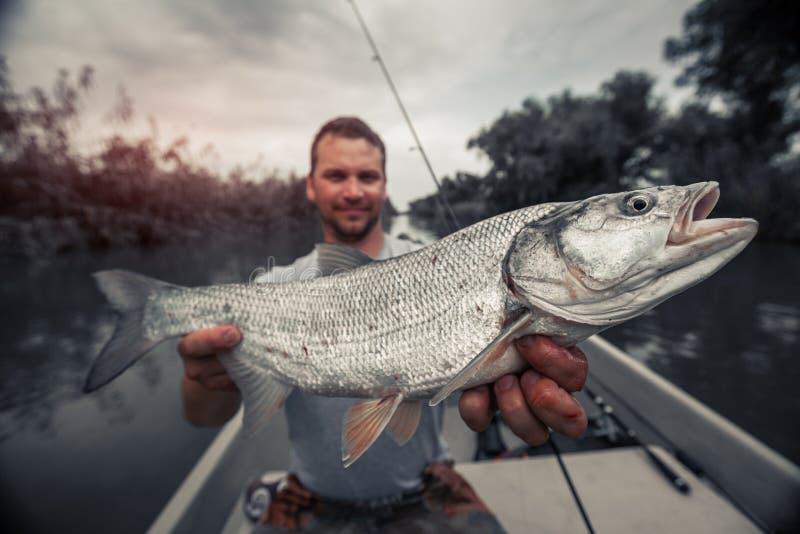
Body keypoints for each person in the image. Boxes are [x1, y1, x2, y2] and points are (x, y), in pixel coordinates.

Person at [178, 117, 589, 532]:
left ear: (384, 186)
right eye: (336, 175)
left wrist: (513, 361)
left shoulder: (445, 263)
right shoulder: (271, 288)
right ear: (310, 184)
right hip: (310, 495)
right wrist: (207, 377)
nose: (353, 190)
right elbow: (203, 417)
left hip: (428, 484)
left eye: (367, 176)